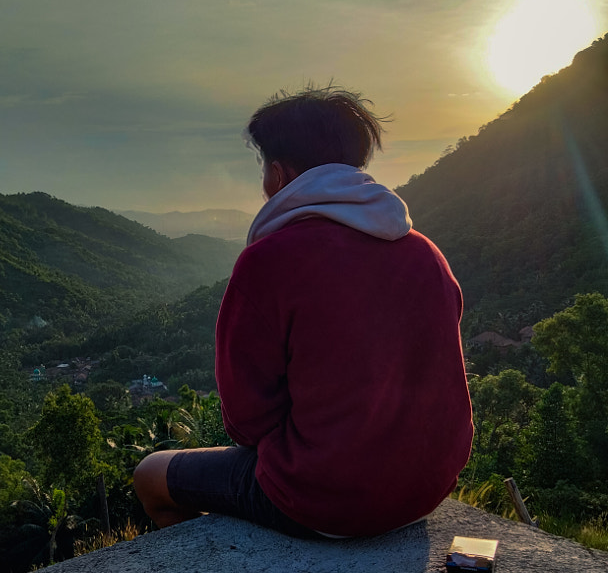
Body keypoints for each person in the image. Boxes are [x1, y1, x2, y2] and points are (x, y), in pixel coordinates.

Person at [134, 86, 473, 539]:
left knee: (151, 474)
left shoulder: (269, 260)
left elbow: (245, 422)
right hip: (427, 489)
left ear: (278, 174)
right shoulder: (425, 252)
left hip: (326, 500)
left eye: (262, 170)